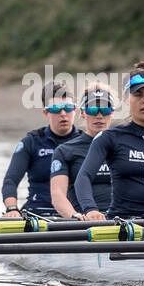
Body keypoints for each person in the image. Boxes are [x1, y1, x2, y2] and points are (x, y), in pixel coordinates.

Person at [75, 59, 144, 219]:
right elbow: (83, 177)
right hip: (122, 221)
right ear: (126, 99)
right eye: (138, 94)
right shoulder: (110, 137)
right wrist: (90, 209)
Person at [1, 82, 79, 217]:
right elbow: (10, 181)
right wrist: (12, 209)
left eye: (68, 108)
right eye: (56, 109)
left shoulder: (87, 143)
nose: (63, 113)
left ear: (75, 110)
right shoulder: (31, 142)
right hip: (37, 214)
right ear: (46, 112)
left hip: (75, 215)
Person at [50, 84, 115, 219]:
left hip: (121, 218)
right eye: (92, 110)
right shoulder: (65, 150)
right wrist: (75, 216)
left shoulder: (123, 146)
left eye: (104, 109)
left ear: (112, 112)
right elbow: (58, 195)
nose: (99, 115)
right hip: (84, 221)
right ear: (83, 113)